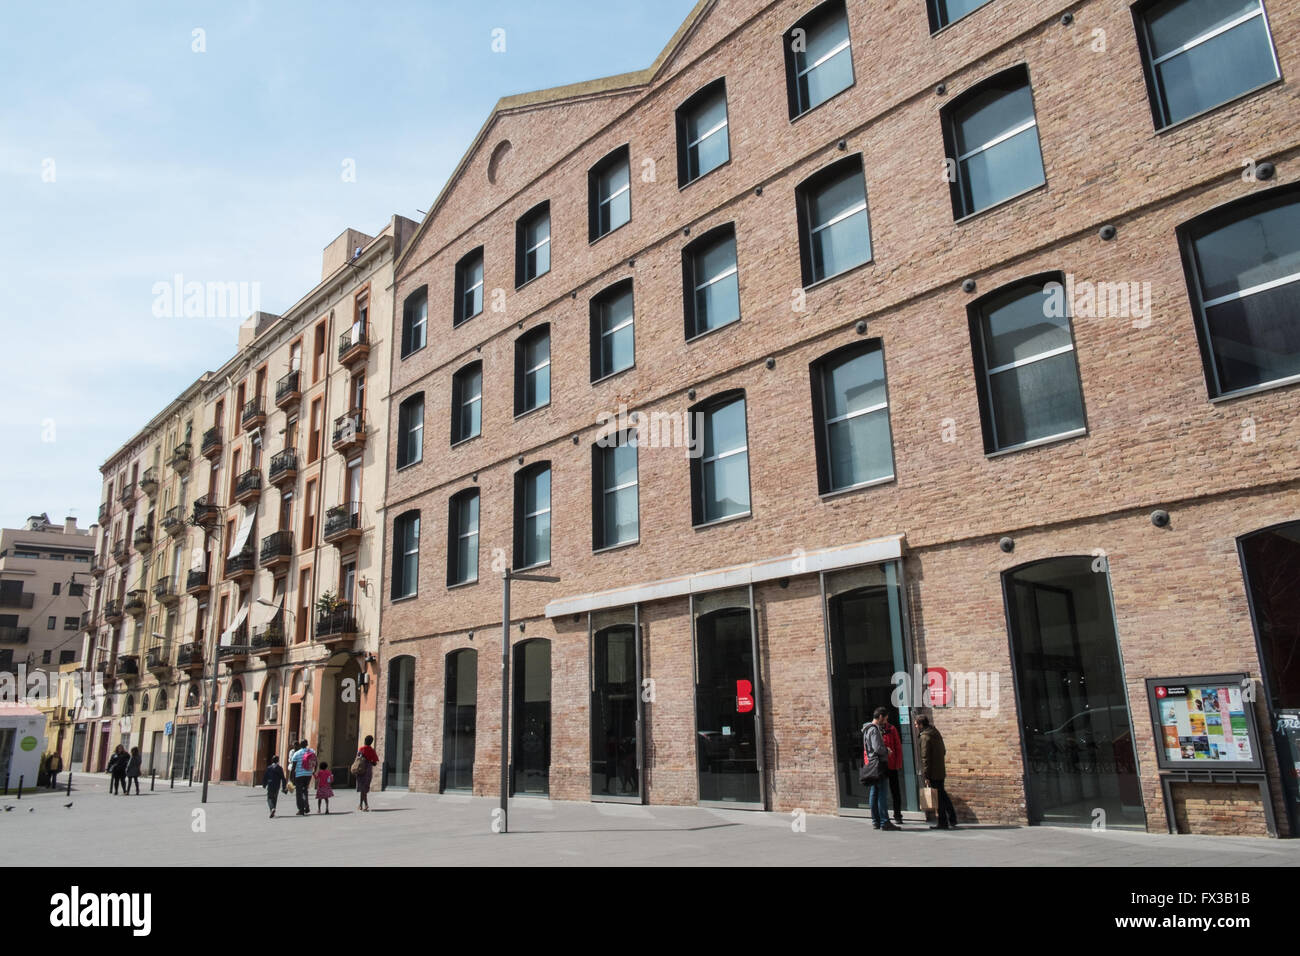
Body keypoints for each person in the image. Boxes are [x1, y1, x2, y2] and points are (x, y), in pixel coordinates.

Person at [916, 714, 958, 830]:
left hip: (933, 772)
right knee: (942, 795)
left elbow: (925, 758)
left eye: (916, 724)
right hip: (940, 770)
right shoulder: (935, 733)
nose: (915, 726)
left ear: (920, 724)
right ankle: (953, 818)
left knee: (938, 798)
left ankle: (943, 822)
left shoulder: (925, 737)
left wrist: (926, 775)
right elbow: (943, 750)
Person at [863, 707, 898, 831]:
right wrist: (886, 750)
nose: (885, 722)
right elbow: (877, 748)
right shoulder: (874, 730)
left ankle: (876, 820)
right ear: (880, 717)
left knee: (874, 792)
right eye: (885, 719)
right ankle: (884, 821)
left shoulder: (867, 729)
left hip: (872, 764)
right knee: (882, 793)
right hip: (878, 764)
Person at [882, 713, 904, 826]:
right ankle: (883, 817)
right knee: (881, 791)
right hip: (880, 766)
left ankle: (898, 815)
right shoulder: (874, 729)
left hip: (891, 765)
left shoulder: (891, 729)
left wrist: (898, 763)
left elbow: (898, 746)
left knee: (895, 791)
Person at [353, 735, 379, 812]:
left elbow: (357, 758)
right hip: (368, 771)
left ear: (365, 741)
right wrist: (369, 761)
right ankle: (360, 805)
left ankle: (366, 805)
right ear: (371, 742)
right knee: (364, 789)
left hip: (361, 769)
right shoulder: (372, 750)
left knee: (362, 789)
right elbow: (375, 763)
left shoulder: (362, 749)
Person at [292, 739, 316, 815]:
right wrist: (314, 771)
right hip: (308, 774)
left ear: (300, 745)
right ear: (307, 744)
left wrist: (291, 778)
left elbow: (293, 767)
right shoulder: (312, 752)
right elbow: (316, 762)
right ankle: (306, 805)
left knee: (299, 793)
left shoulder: (297, 753)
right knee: (305, 791)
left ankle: (301, 809)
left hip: (299, 775)